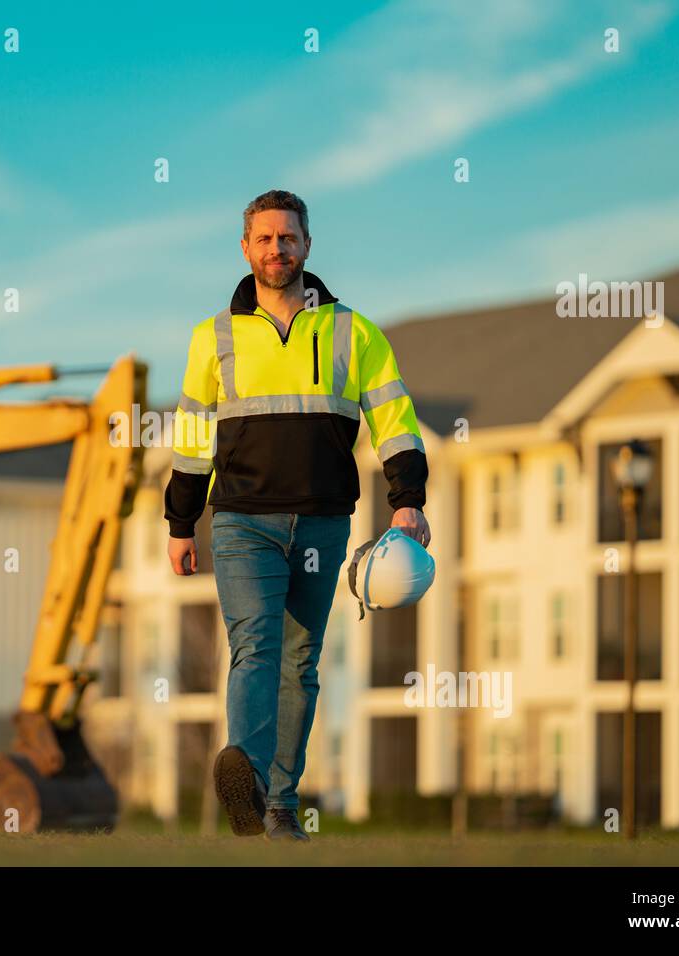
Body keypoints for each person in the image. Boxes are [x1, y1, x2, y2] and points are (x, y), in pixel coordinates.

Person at [164, 189, 430, 841]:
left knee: (300, 662)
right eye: (264, 238)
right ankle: (249, 786)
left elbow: (395, 422)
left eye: (288, 238)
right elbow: (192, 438)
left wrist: (409, 501)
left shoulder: (354, 331)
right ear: (245, 247)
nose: (276, 249)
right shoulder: (213, 338)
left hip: (322, 520)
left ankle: (281, 805)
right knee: (255, 647)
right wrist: (179, 524)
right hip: (241, 521)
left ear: (307, 245)